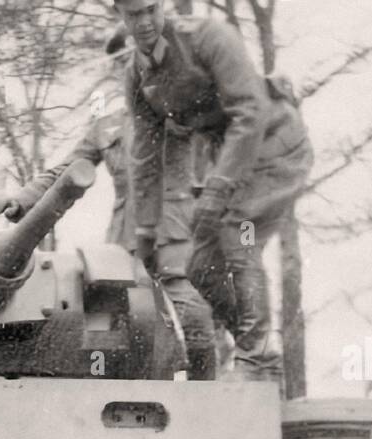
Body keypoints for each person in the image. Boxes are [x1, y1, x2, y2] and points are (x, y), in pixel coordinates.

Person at [0, 28, 216, 379]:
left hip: (176, 238)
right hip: (124, 245)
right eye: (124, 62)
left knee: (194, 320)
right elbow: (65, 170)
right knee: (109, 330)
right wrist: (20, 199)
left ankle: (208, 408)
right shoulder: (106, 126)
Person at [116, 0, 312, 387]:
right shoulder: (138, 75)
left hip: (275, 148)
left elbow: (251, 111)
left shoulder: (208, 38)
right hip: (228, 159)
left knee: (239, 230)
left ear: (162, 8)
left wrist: (219, 188)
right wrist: (145, 234)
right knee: (199, 265)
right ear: (120, 16)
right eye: (133, 14)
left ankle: (253, 359)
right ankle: (260, 355)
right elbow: (145, 159)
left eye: (150, 10)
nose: (143, 22)